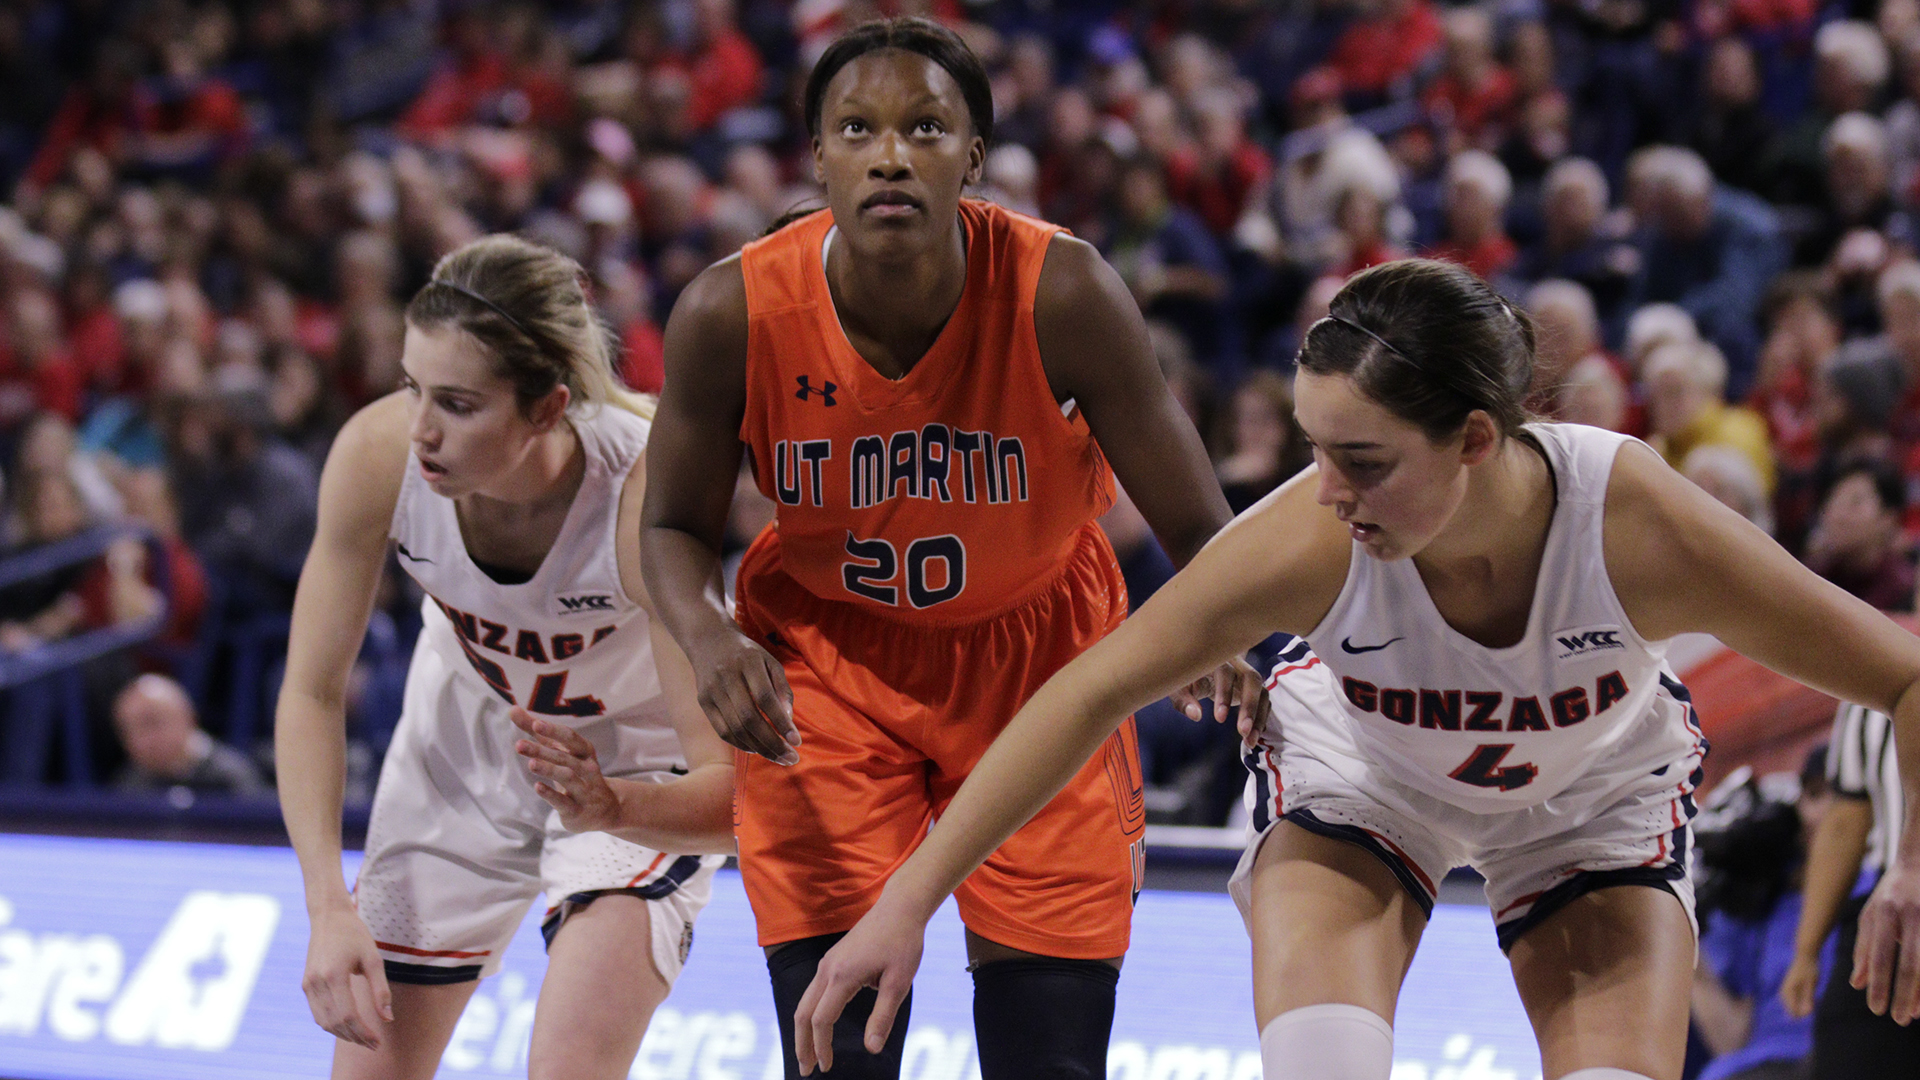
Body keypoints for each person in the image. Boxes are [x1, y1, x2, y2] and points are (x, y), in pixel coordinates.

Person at [792, 258, 1920, 1080]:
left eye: (1364, 461)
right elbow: (1087, 692)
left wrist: (1912, 865)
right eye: (1313, 449)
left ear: (1475, 440)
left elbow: (1906, 678)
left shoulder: (1639, 528)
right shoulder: (1307, 535)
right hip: (1370, 786)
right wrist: (908, 901)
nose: (1328, 492)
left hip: (1591, 803)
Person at [641, 17, 1258, 1080]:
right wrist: (706, 636)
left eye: (925, 127)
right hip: (828, 669)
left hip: (1042, 664)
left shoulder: (1063, 291)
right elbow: (671, 526)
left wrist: (1219, 627)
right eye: (858, 129)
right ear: (818, 157)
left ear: (973, 158)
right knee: (838, 1056)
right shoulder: (729, 311)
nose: (890, 154)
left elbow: (1202, 525)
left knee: (1049, 1061)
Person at [275, 234, 735, 1080]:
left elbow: (736, 792)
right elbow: (310, 692)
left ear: (548, 408)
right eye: (412, 387)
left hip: (633, 769)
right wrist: (326, 906)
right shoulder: (377, 455)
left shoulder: (645, 494)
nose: (420, 429)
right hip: (459, 758)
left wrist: (614, 806)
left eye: (456, 404)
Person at [1781, 701, 1920, 1077]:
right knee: (1851, 1054)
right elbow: (1845, 821)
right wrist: (1806, 951)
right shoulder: (1865, 690)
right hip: (1891, 904)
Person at [112, 672, 265, 795]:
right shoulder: (129, 786)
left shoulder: (231, 779)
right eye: (128, 731)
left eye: (152, 722)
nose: (141, 741)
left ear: (188, 717)